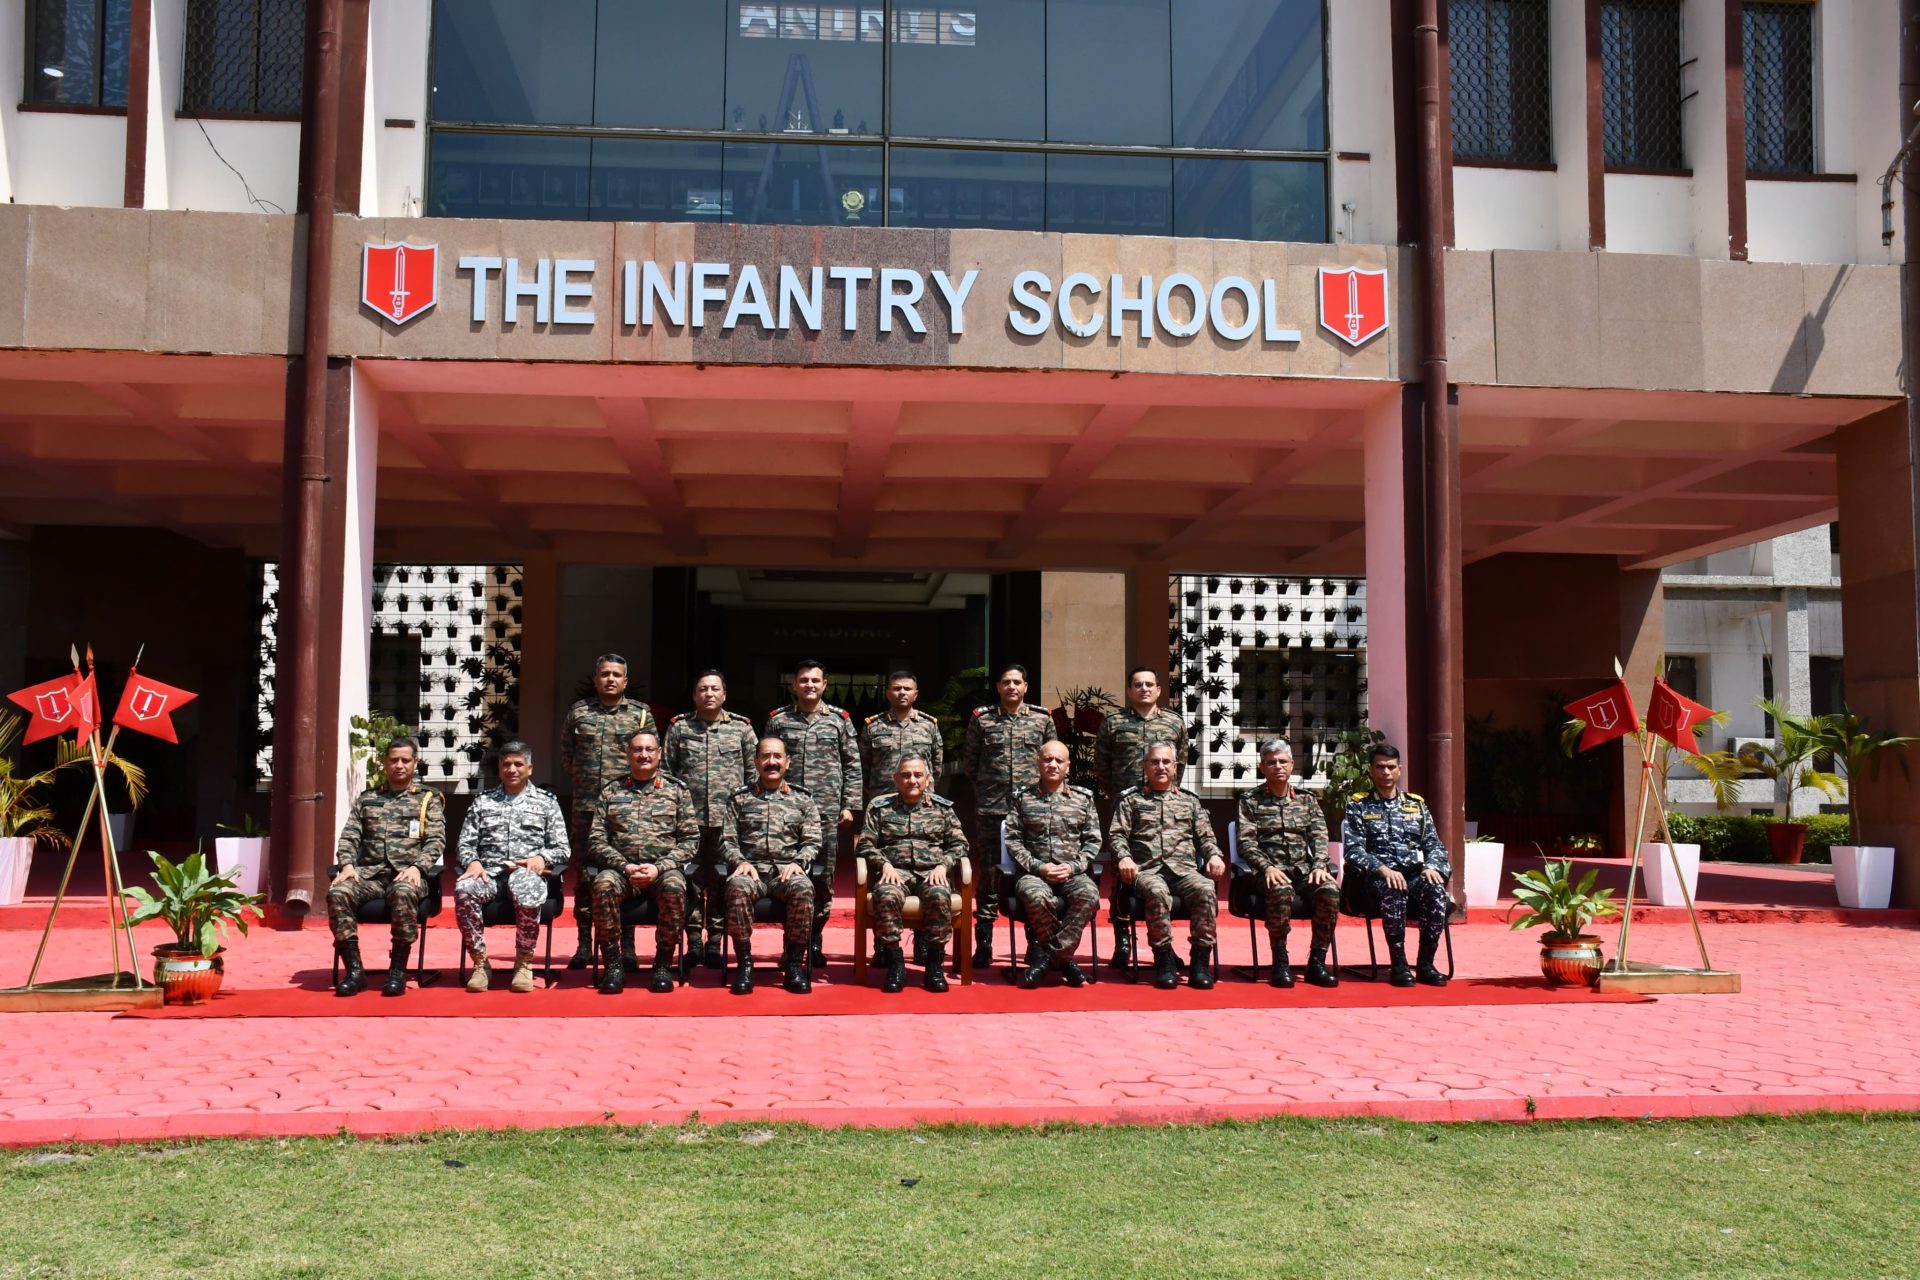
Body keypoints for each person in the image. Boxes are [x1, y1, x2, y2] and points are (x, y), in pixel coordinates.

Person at [328, 737, 445, 998]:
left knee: (403, 891)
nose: (399, 765)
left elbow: (436, 841)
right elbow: (349, 836)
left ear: (415, 763)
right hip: (371, 876)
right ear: (384, 762)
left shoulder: (428, 799)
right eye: (394, 760)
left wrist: (418, 867)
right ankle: (355, 972)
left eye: (405, 760)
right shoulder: (368, 799)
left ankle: (397, 971)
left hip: (408, 875)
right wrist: (346, 865)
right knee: (337, 893)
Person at [560, 654, 655, 969]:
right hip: (586, 808)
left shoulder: (640, 716)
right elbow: (568, 755)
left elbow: (650, 755)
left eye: (617, 675)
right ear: (596, 678)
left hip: (626, 809)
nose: (610, 679)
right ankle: (585, 944)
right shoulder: (579, 713)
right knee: (586, 877)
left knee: (625, 872)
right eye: (605, 674)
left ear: (625, 681)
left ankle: (626, 946)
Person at [961, 662, 1059, 967]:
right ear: (998, 687)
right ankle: (985, 943)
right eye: (1006, 682)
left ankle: (1035, 942)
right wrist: (992, 788)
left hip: (1032, 810)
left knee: (1030, 873)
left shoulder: (1042, 720)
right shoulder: (983, 719)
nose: (1012, 687)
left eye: (1017, 682)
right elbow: (970, 763)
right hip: (993, 808)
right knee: (990, 874)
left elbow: (1051, 759)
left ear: (1026, 687)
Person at [586, 728, 698, 994]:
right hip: (622, 871)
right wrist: (624, 866)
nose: (643, 755)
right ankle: (613, 965)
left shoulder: (677, 791)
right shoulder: (611, 791)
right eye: (637, 750)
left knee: (674, 886)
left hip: (662, 870)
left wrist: (659, 867)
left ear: (659, 754)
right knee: (603, 884)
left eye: (649, 750)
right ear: (628, 754)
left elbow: (691, 840)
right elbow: (596, 840)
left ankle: (662, 965)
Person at [766, 659, 861, 967]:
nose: (809, 685)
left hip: (827, 811)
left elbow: (852, 764)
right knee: (787, 875)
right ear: (794, 685)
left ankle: (814, 940)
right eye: (803, 680)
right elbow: (767, 761)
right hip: (785, 811)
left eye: (815, 680)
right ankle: (791, 943)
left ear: (824, 684)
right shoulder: (779, 721)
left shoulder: (839, 719)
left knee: (823, 879)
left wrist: (849, 805)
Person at [453, 740, 569, 994]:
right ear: (499, 768)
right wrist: (472, 862)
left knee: (527, 888)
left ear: (530, 768)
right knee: (464, 890)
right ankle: (481, 963)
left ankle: (524, 963)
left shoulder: (546, 803)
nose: (512, 769)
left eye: (518, 764)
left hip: (525, 873)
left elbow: (563, 848)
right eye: (507, 764)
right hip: (489, 874)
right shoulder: (483, 802)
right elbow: (464, 844)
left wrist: (542, 858)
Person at [1108, 741, 1224, 990]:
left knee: (1205, 888)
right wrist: (1124, 858)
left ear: (1175, 767)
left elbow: (1206, 838)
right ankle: (1165, 960)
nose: (1160, 766)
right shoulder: (1131, 800)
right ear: (1145, 766)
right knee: (1157, 891)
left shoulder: (1190, 801)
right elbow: (1117, 836)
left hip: (1184, 871)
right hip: (1147, 871)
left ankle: (1200, 962)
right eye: (1154, 761)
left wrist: (1214, 856)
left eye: (1166, 762)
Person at [1092, 666, 1187, 968]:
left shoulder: (1175, 723)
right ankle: (1123, 939)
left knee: (1162, 872)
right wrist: (1118, 795)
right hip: (1125, 807)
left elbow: (1180, 763)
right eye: (1138, 685)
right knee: (1123, 872)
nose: (1144, 689)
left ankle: (1164, 944)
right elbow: (1102, 765)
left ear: (1159, 690)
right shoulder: (1114, 723)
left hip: (1162, 809)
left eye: (1150, 684)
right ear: (1130, 691)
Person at [665, 670, 758, 970]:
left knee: (720, 883)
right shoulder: (680, 728)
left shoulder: (742, 729)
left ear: (724, 695)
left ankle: (715, 942)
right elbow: (666, 772)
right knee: (690, 882)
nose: (708, 694)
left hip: (726, 823)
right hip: (688, 822)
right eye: (702, 689)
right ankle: (693, 942)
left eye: (714, 689)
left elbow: (753, 776)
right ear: (694, 695)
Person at [1339, 743, 1451, 988]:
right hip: (1373, 881)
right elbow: (1353, 850)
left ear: (1399, 769)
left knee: (1434, 890)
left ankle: (1426, 964)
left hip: (1412, 875)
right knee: (1394, 886)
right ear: (1371, 770)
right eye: (1380, 767)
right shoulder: (1358, 805)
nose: (1386, 773)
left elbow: (1434, 844)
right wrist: (1383, 870)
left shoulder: (1416, 805)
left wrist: (1432, 867)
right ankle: (1398, 964)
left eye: (1391, 767)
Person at [719, 737, 822, 996]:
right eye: (765, 757)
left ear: (787, 762)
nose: (771, 762)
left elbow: (812, 841)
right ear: (755, 762)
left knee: (803, 889)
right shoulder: (739, 799)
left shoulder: (803, 799)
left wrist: (799, 863)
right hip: (750, 871)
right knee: (736, 887)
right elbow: (726, 840)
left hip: (786, 872)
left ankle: (795, 964)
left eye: (777, 757)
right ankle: (744, 963)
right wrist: (739, 862)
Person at [859, 754, 970, 994]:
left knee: (940, 896)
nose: (912, 780)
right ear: (895, 778)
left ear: (928, 779)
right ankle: (895, 962)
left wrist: (944, 866)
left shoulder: (942, 809)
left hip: (932, 873)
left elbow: (960, 844)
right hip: (894, 873)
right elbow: (865, 845)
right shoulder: (880, 808)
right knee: (886, 895)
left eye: (918, 775)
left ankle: (933, 964)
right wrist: (884, 865)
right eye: (906, 775)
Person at [1236, 739, 1339, 989]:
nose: (1277, 767)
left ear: (1292, 765)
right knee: (1280, 890)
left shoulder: (1307, 800)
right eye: (1271, 763)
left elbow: (1319, 837)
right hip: (1268, 873)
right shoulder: (1250, 801)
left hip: (1304, 870)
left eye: (1283, 762)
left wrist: (1319, 866)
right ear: (1262, 767)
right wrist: (1266, 867)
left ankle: (1317, 961)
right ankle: (1280, 961)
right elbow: (1246, 844)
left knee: (1330, 890)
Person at [1005, 739, 1099, 989]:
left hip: (1072, 872)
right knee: (1034, 896)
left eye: (1059, 760)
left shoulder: (1083, 799)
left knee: (1089, 894)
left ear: (1068, 766)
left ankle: (1047, 959)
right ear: (1039, 763)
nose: (1053, 764)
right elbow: (1013, 840)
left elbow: (1093, 842)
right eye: (1047, 759)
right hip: (1034, 873)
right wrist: (1038, 867)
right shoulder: (1022, 799)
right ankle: (1066, 962)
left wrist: (1073, 867)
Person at [859, 669, 943, 801]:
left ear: (915, 694)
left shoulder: (929, 725)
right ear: (888, 694)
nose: (902, 692)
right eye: (897, 688)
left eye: (907, 689)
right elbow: (863, 765)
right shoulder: (873, 726)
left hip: (921, 800)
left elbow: (936, 767)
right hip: (883, 798)